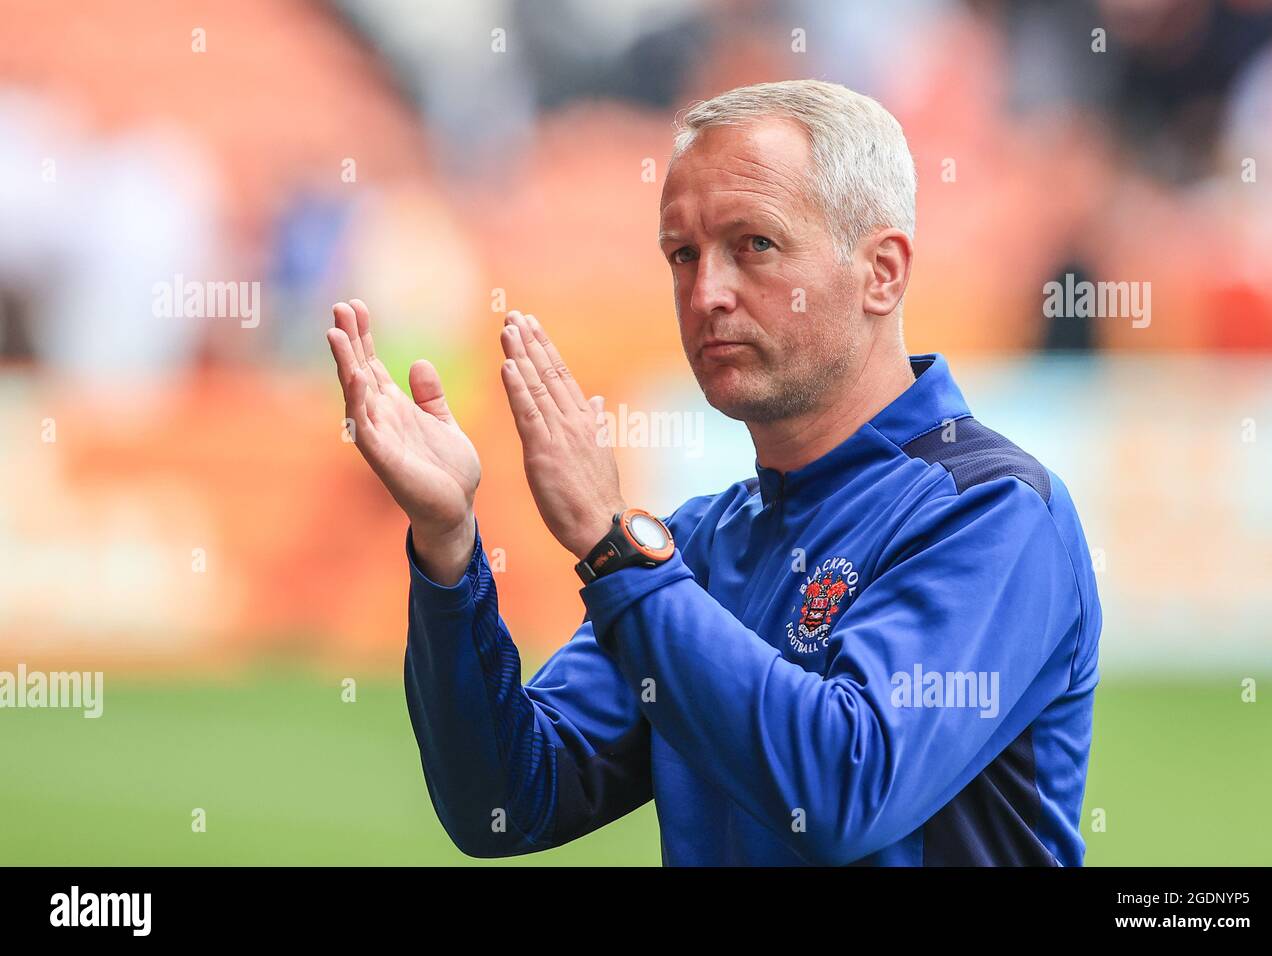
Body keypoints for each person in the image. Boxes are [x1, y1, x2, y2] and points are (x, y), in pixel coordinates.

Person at [324, 79, 1102, 866]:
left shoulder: (993, 511)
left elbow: (843, 788)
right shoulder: (700, 543)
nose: (707, 294)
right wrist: (449, 545)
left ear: (882, 272)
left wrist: (615, 546)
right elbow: (505, 802)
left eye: (754, 245)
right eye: (682, 255)